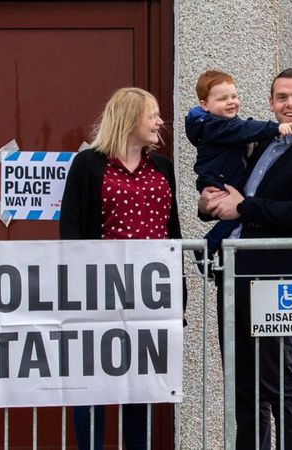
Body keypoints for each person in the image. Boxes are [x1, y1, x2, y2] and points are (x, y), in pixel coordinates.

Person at [199, 68, 292, 450]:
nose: (289, 104)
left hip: (277, 283)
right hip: (234, 277)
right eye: (281, 97)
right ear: (271, 103)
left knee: (280, 383)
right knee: (242, 383)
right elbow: (230, 195)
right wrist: (209, 204)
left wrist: (243, 207)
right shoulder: (264, 142)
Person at [59, 87, 183, 450]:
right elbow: (71, 230)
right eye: (152, 114)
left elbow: (171, 230)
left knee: (140, 389)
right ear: (129, 119)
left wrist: (180, 291)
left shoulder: (163, 168)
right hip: (99, 294)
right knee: (93, 384)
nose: (160, 121)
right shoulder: (88, 165)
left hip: (151, 297)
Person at [185, 70, 292, 258]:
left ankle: (207, 249)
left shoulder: (221, 124)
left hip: (221, 177)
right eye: (222, 99)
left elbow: (241, 129)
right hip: (218, 180)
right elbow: (243, 129)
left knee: (238, 213)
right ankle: (206, 248)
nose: (231, 102)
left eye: (234, 96)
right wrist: (275, 127)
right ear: (205, 105)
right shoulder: (214, 125)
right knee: (239, 213)